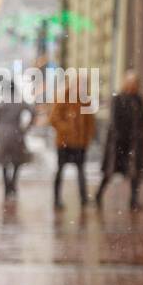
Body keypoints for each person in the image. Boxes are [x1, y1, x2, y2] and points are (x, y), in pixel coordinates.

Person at [96, 71, 143, 211]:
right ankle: (98, 194)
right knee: (109, 173)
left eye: (134, 83)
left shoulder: (138, 99)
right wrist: (118, 137)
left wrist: (141, 134)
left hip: (133, 143)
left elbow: (142, 120)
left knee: (134, 173)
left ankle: (133, 200)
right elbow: (115, 121)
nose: (132, 86)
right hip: (118, 143)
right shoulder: (118, 99)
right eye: (129, 82)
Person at [49, 80, 96, 211]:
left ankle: (84, 198)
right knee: (60, 170)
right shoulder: (63, 98)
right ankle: (56, 198)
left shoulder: (85, 100)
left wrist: (87, 137)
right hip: (64, 143)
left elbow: (90, 121)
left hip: (80, 143)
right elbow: (53, 118)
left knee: (81, 170)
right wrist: (66, 129)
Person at [0, 96, 34, 199]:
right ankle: (13, 183)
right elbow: (33, 111)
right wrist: (27, 126)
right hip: (17, 133)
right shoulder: (20, 102)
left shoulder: (1, 103)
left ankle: (7, 186)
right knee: (17, 161)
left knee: (4, 162)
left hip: (3, 134)